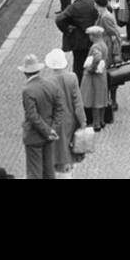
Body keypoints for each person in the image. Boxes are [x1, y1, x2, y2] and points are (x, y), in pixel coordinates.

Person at [19, 54, 61, 180]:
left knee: (34, 173)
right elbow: (59, 109)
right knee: (49, 172)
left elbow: (33, 116)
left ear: (25, 73)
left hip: (34, 136)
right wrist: (52, 129)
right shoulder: (51, 85)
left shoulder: (28, 90)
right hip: (50, 136)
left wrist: (46, 131)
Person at [44, 48, 84, 177]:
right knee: (68, 153)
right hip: (70, 121)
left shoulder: (47, 82)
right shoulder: (72, 77)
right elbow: (78, 103)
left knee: (56, 153)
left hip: (54, 122)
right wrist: (83, 122)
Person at [54, 0, 98, 85]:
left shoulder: (72, 8)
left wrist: (67, 29)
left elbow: (59, 19)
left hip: (78, 43)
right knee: (94, 61)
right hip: (93, 40)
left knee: (78, 66)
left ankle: (80, 86)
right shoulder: (92, 3)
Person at [93, 0, 123, 120]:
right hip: (105, 47)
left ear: (97, 4)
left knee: (108, 76)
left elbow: (115, 34)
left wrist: (116, 52)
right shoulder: (103, 15)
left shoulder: (105, 17)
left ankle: (111, 101)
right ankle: (110, 100)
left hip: (107, 49)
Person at [79, 25, 110, 129]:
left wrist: (91, 68)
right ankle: (101, 121)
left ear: (93, 36)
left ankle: (96, 123)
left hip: (95, 76)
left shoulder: (95, 46)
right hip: (102, 74)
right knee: (102, 98)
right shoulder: (103, 44)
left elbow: (97, 57)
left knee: (95, 99)